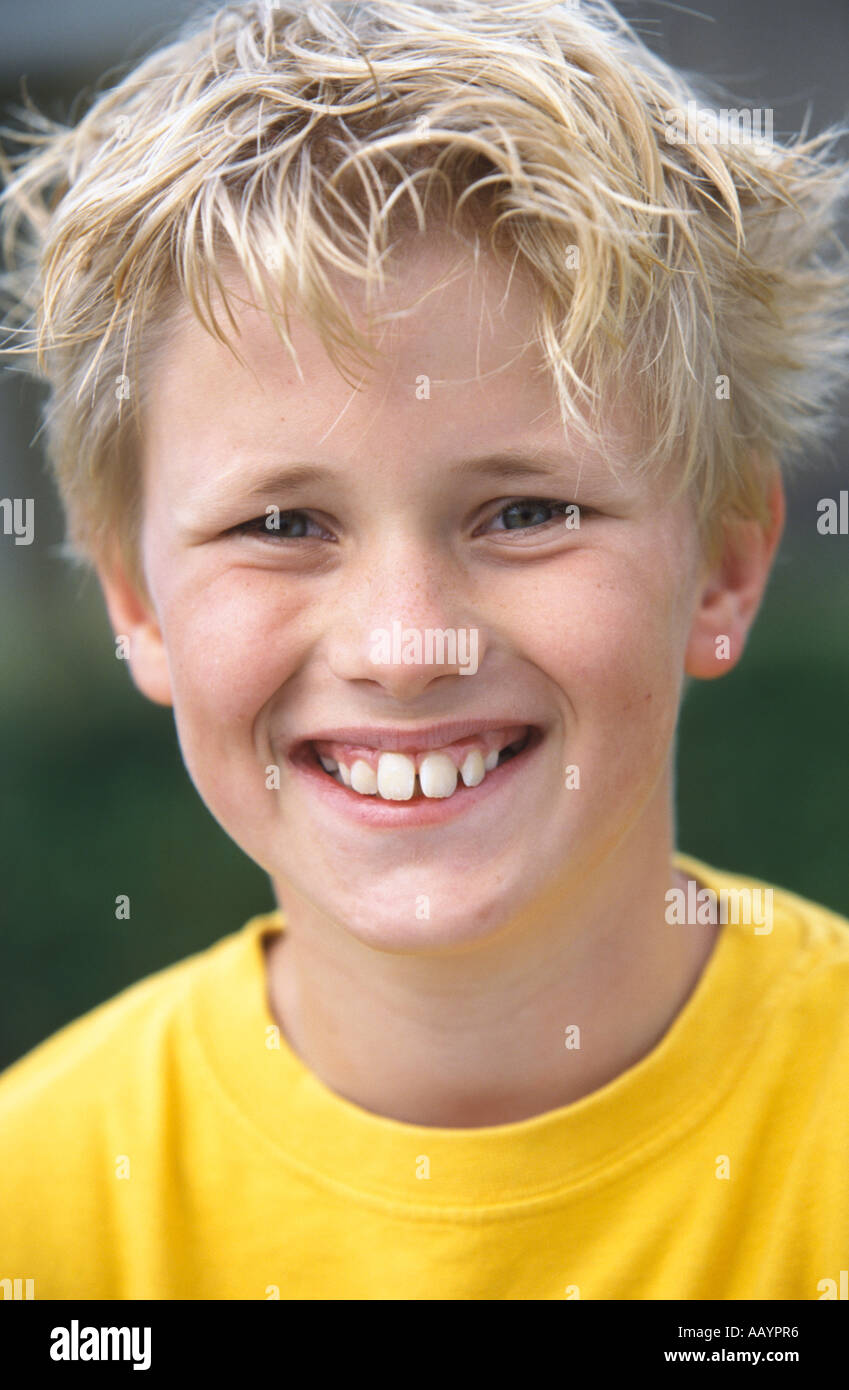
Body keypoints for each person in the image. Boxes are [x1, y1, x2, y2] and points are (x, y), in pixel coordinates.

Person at [1, 0, 848, 1300]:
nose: (404, 644)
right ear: (137, 602)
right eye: (280, 524)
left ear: (724, 565)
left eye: (526, 511)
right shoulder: (39, 1202)